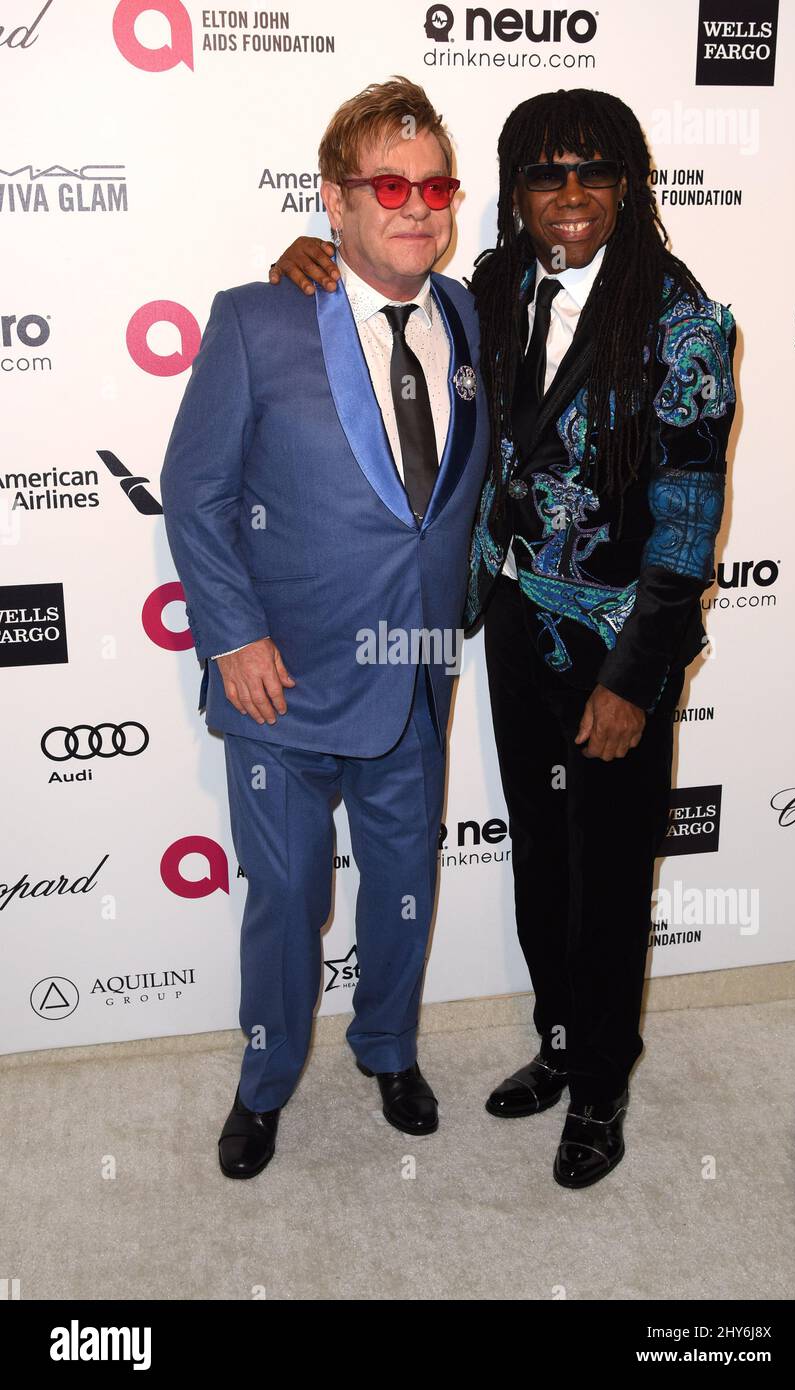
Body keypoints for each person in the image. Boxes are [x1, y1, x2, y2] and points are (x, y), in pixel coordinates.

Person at [269, 87, 737, 1188]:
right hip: (517, 618)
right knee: (540, 845)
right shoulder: (491, 286)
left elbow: (683, 518)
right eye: (543, 173)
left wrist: (637, 676)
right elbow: (394, 293)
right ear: (517, 191)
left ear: (628, 184)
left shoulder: (681, 323)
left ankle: (603, 1085)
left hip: (620, 644)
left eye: (591, 172)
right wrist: (311, 253)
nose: (567, 195)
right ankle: (559, 1042)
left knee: (610, 869)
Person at [160, 77, 489, 1180]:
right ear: (333, 203)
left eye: (435, 183)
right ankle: (263, 1084)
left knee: (406, 885)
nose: (417, 205)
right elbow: (193, 491)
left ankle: (387, 1048)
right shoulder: (257, 318)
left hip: (413, 672)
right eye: (387, 184)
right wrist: (232, 636)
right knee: (289, 897)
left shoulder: (464, 315)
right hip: (282, 680)